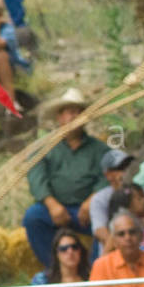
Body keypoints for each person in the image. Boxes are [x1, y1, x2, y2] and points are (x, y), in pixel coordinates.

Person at [23, 86, 110, 266]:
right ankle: (54, 269)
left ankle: (94, 272)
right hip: (55, 209)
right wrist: (52, 205)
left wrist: (91, 202)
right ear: (60, 117)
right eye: (71, 112)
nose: (75, 116)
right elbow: (36, 177)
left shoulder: (99, 149)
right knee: (32, 217)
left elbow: (107, 177)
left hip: (86, 211)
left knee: (108, 220)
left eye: (79, 112)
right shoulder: (43, 147)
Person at [88, 149, 136, 251]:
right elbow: (100, 231)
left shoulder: (140, 193)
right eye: (120, 168)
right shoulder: (99, 199)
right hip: (113, 255)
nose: (125, 171)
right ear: (107, 174)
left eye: (127, 166)